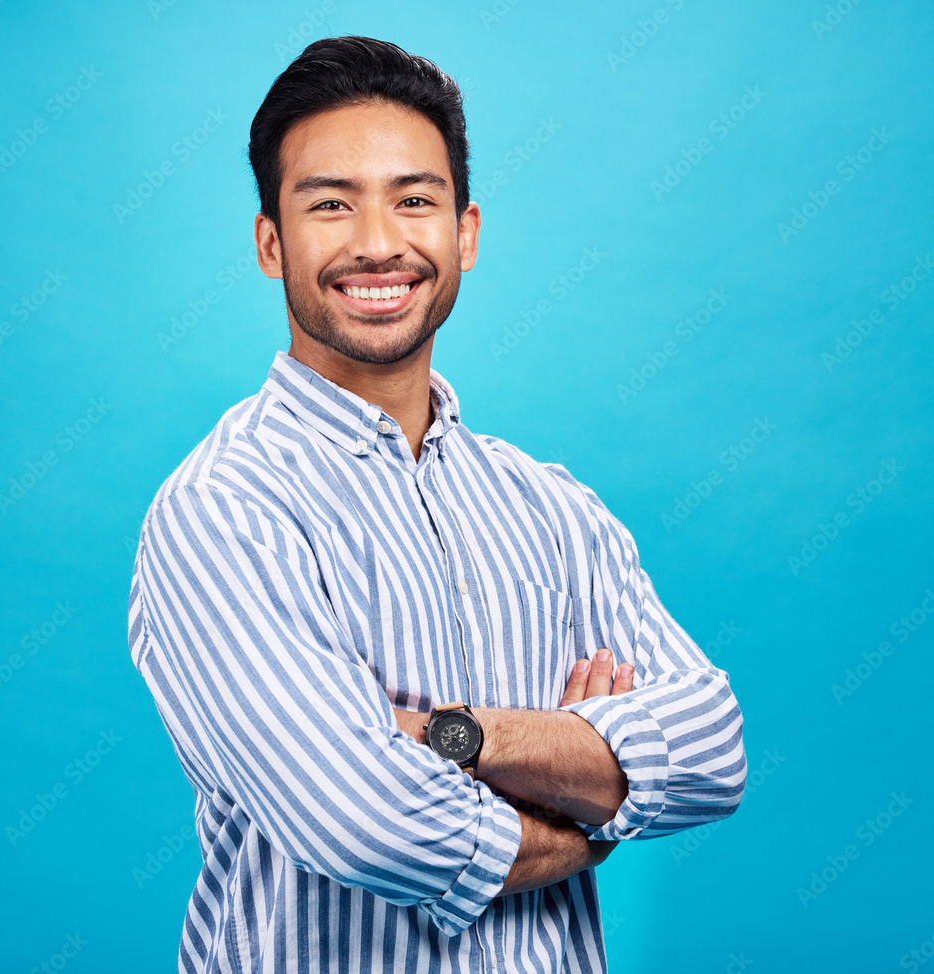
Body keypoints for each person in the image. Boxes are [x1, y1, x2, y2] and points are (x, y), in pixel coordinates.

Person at [128, 35, 746, 974]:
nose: (379, 242)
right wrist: (586, 814)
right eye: (330, 205)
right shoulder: (222, 511)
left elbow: (711, 750)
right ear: (270, 243)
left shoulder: (550, 506)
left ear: (465, 232)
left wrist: (456, 738)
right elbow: (366, 821)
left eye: (414, 200)